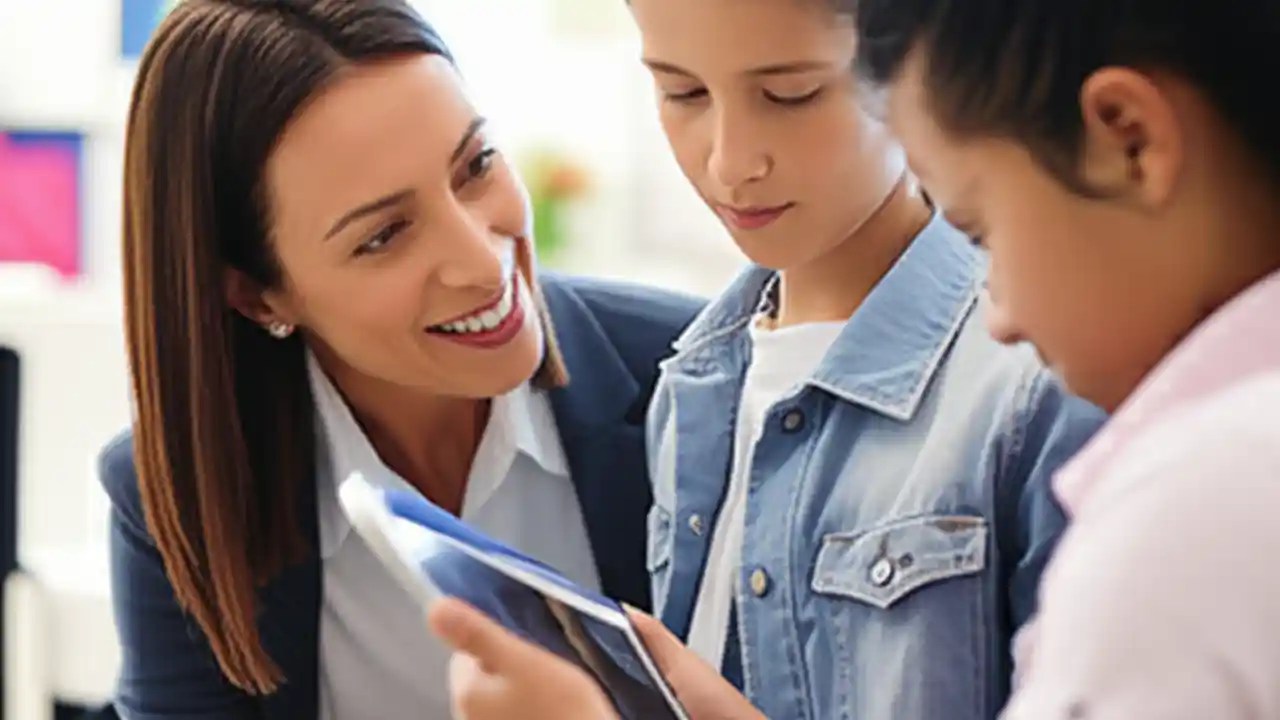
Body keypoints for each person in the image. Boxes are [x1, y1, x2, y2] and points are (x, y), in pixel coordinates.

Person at [433, 0, 1280, 718]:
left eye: (792, 94)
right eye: (681, 91)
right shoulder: (692, 379)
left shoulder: (1080, 404)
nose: (731, 161)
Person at [99, 1, 700, 718]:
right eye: (383, 236)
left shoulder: (699, 381)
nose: (482, 264)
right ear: (258, 296)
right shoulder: (185, 494)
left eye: (476, 166)